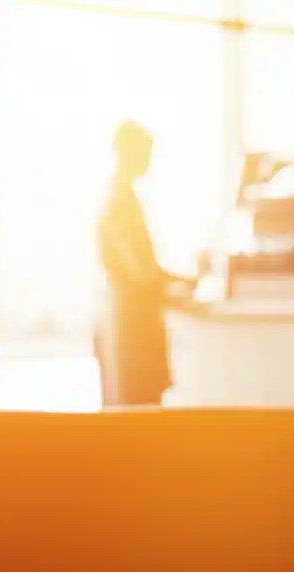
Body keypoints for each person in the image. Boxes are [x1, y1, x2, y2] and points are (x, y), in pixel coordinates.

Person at [95, 121, 192, 407]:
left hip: (131, 321)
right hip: (131, 326)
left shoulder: (122, 199)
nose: (149, 160)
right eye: (146, 151)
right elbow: (142, 272)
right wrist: (176, 287)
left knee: (135, 409)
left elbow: (143, 267)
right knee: (136, 409)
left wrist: (179, 281)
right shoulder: (121, 203)